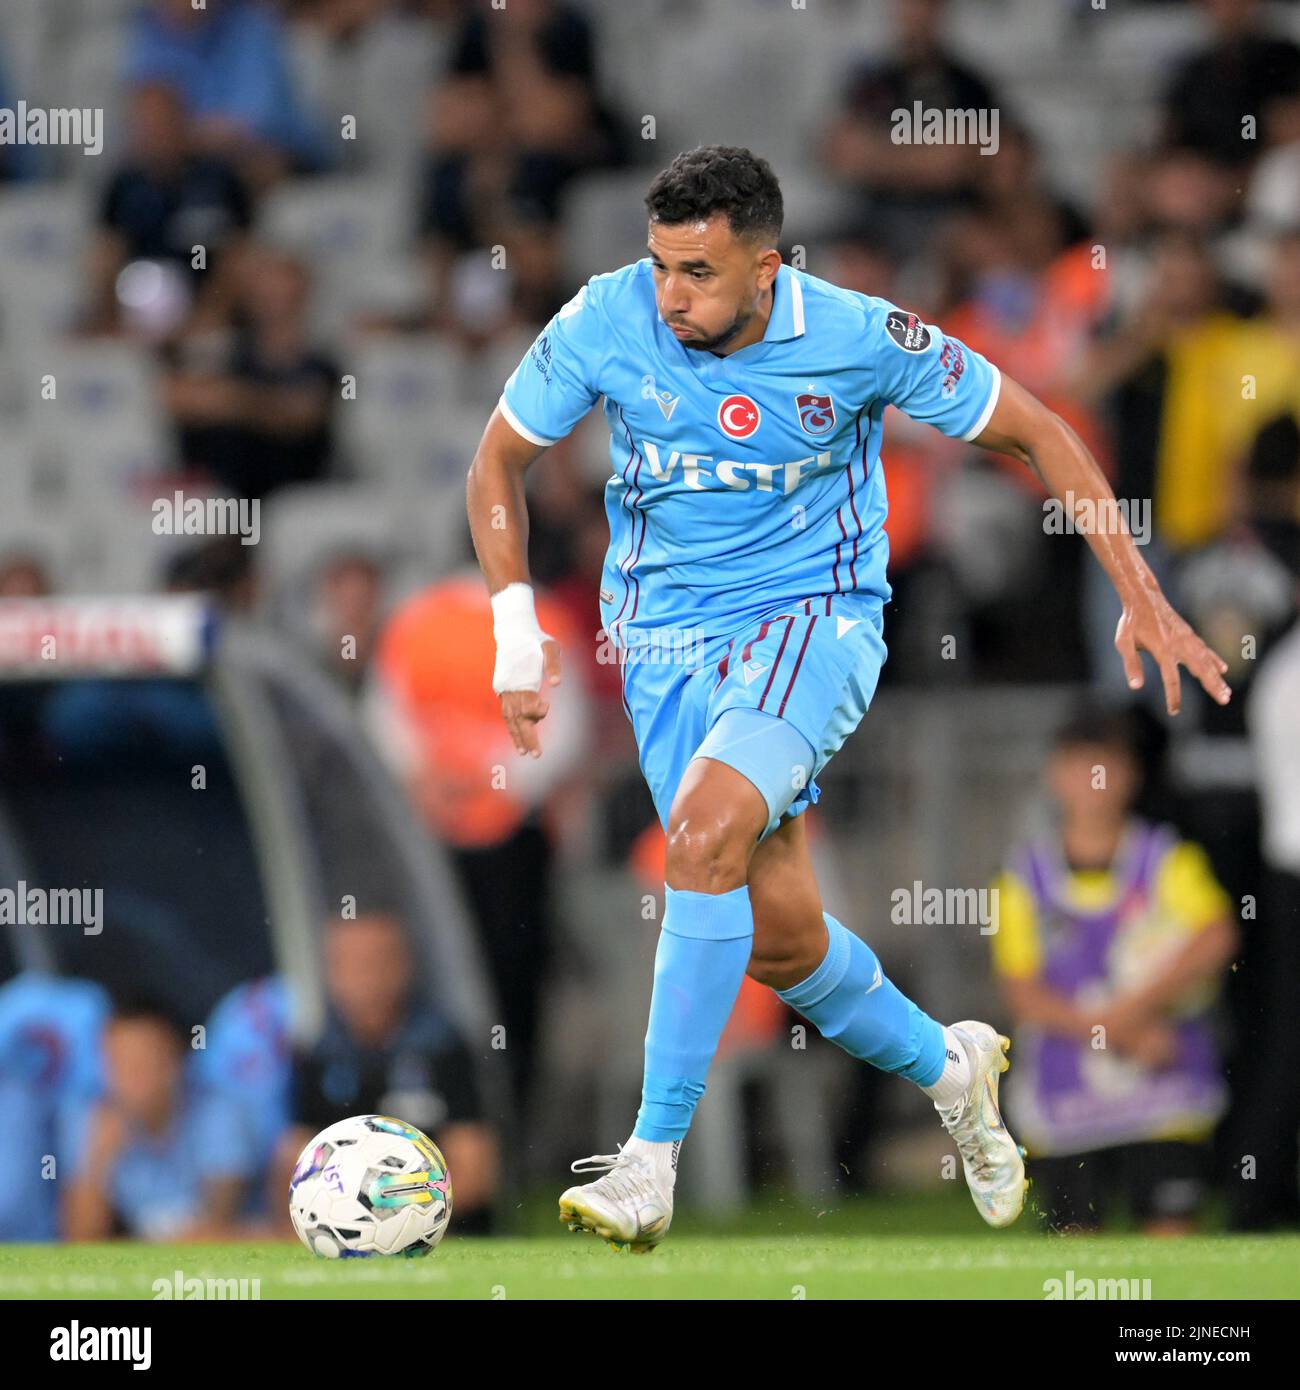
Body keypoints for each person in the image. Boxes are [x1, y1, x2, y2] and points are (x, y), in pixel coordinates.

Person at [466, 145, 1231, 1251]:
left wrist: (1137, 589)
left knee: (700, 838)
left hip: (809, 625)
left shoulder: (860, 337)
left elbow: (1038, 428)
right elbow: (497, 462)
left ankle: (648, 1159)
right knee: (776, 941)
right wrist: (513, 628)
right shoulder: (606, 316)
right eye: (661, 265)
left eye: (698, 272)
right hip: (664, 648)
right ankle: (949, 1066)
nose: (670, 295)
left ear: (766, 267)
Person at [990, 705, 1238, 1234]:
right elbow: (1023, 993)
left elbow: (1216, 935)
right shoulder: (1024, 878)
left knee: (1171, 1232)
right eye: (1078, 768)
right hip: (1066, 1101)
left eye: (1104, 769)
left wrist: (1139, 1007)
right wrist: (1118, 1030)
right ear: (1054, 776)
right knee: (1076, 1244)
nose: (1092, 785)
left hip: (1163, 1093)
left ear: (1131, 776)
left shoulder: (1166, 860)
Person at [271, 913, 497, 1231]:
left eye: (376, 962)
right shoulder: (319, 1054)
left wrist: (395, 1213)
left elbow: (475, 1172)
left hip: (439, 1231)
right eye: (350, 965)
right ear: (330, 974)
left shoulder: (441, 1046)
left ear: (404, 967)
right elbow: (293, 1162)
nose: (366, 979)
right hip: (345, 1227)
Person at [63, 997, 258, 1242]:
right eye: (118, 1062)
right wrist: (97, 1163)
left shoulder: (217, 1114)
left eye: (143, 1060)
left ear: (175, 1061)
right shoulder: (92, 1121)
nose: (132, 1076)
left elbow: (217, 1226)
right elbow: (79, 1240)